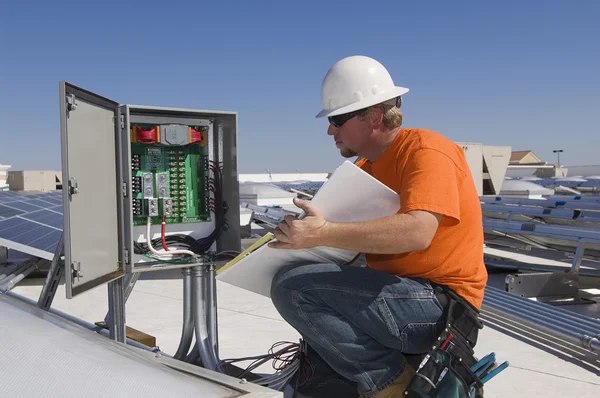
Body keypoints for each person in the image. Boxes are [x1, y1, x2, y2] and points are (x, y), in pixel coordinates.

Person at [269, 55, 488, 398]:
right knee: (299, 285)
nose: (330, 130)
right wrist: (301, 240)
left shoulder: (426, 150)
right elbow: (352, 244)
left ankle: (389, 385)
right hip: (404, 294)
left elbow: (418, 231)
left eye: (337, 119)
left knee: (294, 289)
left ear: (373, 116)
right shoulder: (366, 169)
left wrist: (322, 233)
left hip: (440, 306)